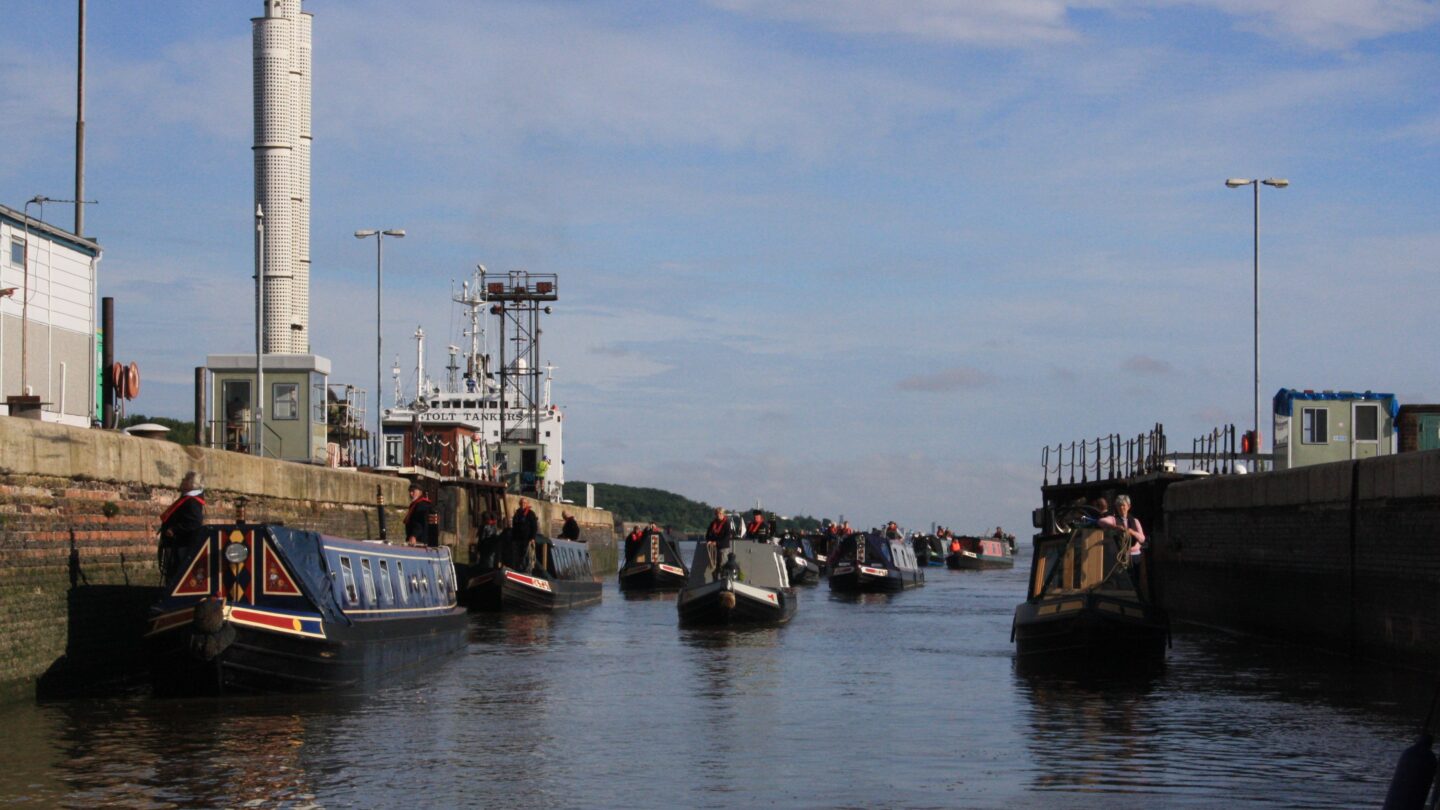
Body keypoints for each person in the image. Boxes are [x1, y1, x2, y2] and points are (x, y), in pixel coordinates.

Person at [158, 472, 206, 581]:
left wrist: (174, 530)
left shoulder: (192, 501)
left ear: (191, 483)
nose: (182, 481)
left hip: (181, 546)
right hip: (176, 545)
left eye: (185, 479)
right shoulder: (188, 499)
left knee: (176, 575)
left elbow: (194, 523)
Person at [1099, 494, 1146, 588]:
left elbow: (1142, 539)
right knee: (1123, 582)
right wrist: (1116, 527)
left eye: (1123, 505)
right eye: (1119, 505)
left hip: (1134, 556)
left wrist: (1132, 532)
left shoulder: (1135, 521)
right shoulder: (1113, 519)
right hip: (1121, 557)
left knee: (1135, 581)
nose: (1121, 507)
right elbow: (1100, 521)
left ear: (1128, 506)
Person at [512, 500, 540, 573]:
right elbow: (514, 525)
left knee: (527, 556)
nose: (522, 504)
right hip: (518, 539)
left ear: (527, 504)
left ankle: (527, 571)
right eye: (521, 503)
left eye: (524, 503)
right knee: (518, 555)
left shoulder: (531, 514)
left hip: (527, 539)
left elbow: (534, 527)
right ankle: (518, 569)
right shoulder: (517, 513)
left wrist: (532, 538)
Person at [705, 507, 731, 578]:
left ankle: (724, 580)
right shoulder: (713, 523)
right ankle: (715, 581)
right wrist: (709, 541)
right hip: (714, 548)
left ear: (723, 514)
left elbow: (727, 537)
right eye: (717, 514)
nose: (718, 515)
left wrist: (717, 543)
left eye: (720, 513)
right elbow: (708, 534)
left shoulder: (727, 524)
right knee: (714, 566)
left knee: (722, 565)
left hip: (723, 548)